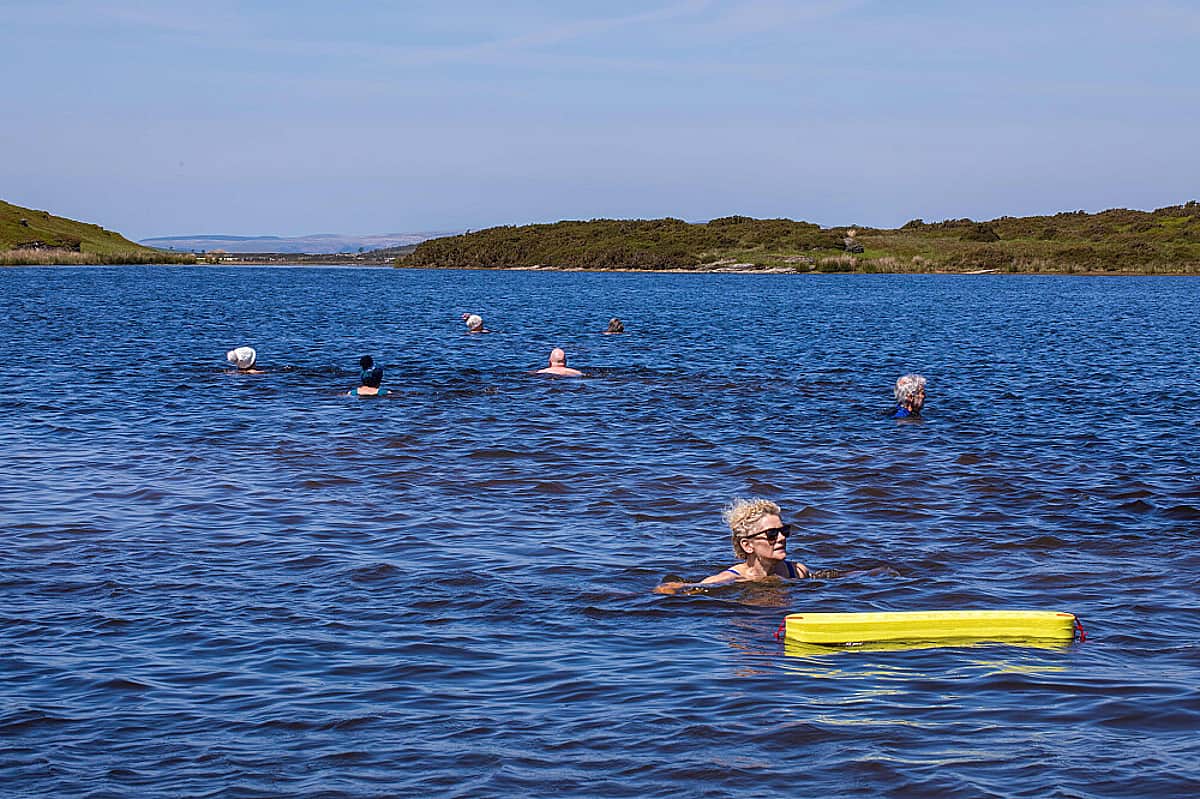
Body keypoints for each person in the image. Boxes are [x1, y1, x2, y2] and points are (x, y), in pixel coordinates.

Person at [653, 498, 811, 595]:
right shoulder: (730, 579)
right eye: (772, 534)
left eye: (784, 531)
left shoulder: (797, 571)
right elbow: (670, 589)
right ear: (747, 545)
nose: (782, 538)